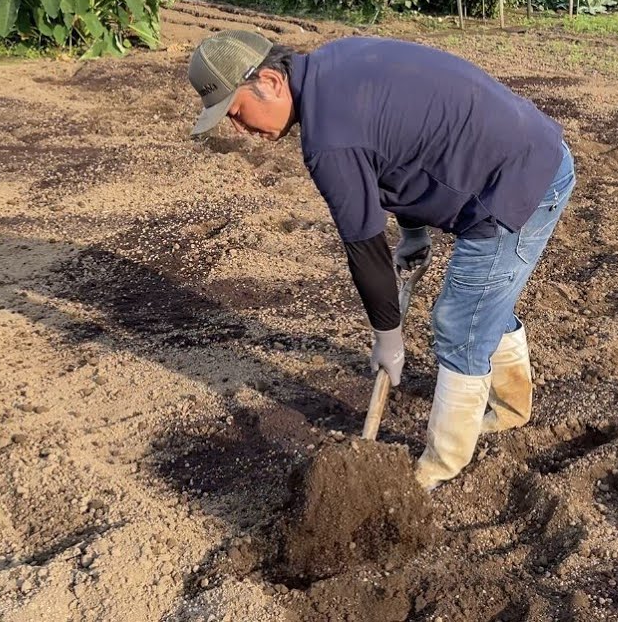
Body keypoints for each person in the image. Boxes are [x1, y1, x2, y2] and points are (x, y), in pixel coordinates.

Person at [186, 30, 575, 491]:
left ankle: (440, 467)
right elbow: (401, 155)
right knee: (483, 303)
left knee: (459, 322)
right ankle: (512, 409)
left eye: (236, 112)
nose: (240, 129)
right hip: (524, 154)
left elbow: (364, 246)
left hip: (518, 185)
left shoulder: (330, 141)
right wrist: (412, 232)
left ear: (269, 81)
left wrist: (387, 338)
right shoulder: (333, 65)